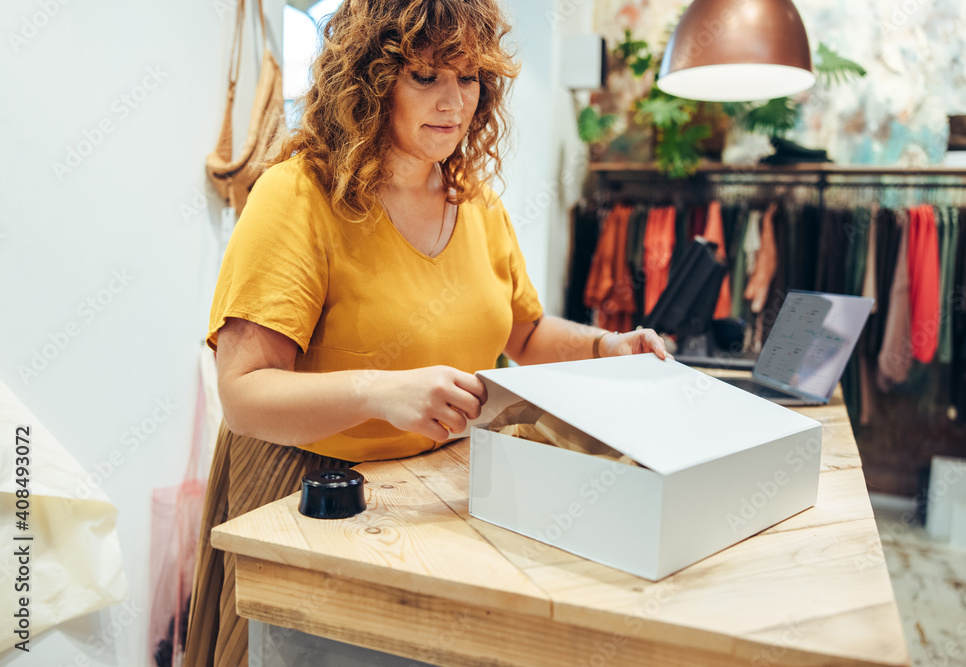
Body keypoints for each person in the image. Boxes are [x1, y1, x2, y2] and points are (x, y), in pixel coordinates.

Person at [184, 1, 668, 665]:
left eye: (468, 79)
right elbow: (243, 394)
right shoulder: (296, 195)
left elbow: (524, 330)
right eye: (424, 77)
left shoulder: (477, 202)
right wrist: (379, 391)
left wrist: (605, 347)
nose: (452, 103)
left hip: (435, 490)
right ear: (369, 79)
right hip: (310, 491)